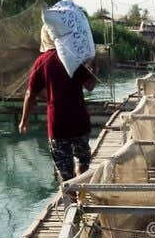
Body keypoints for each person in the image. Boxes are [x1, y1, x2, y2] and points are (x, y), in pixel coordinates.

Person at [20, 31, 97, 183]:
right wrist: (94, 65)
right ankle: (81, 194)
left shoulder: (42, 61)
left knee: (65, 171)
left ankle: (72, 201)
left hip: (58, 124)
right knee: (83, 162)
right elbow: (90, 85)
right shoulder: (73, 57)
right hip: (79, 121)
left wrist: (24, 120)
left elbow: (30, 94)